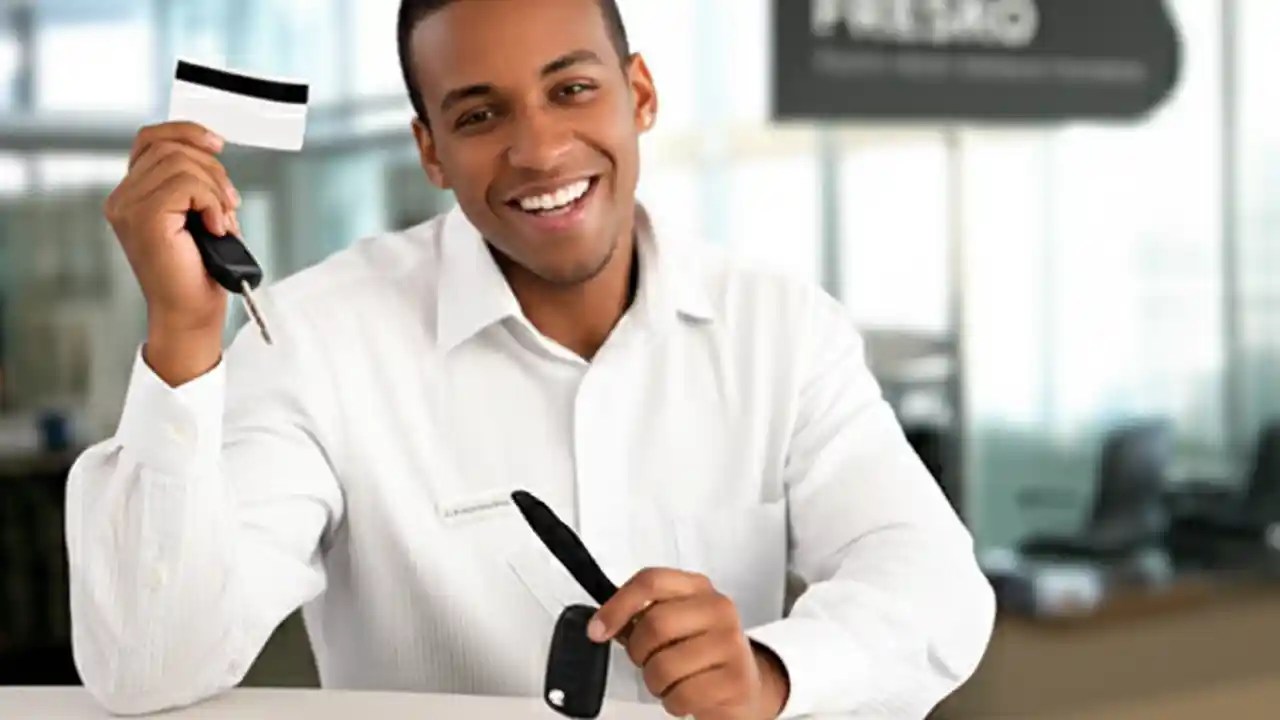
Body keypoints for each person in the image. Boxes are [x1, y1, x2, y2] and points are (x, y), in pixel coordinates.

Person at [67, 0, 995, 717]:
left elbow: (936, 587)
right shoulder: (318, 341)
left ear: (639, 94)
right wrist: (185, 341)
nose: (540, 149)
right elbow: (151, 668)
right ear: (430, 149)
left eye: (572, 89)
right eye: (479, 115)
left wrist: (774, 674)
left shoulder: (781, 328)